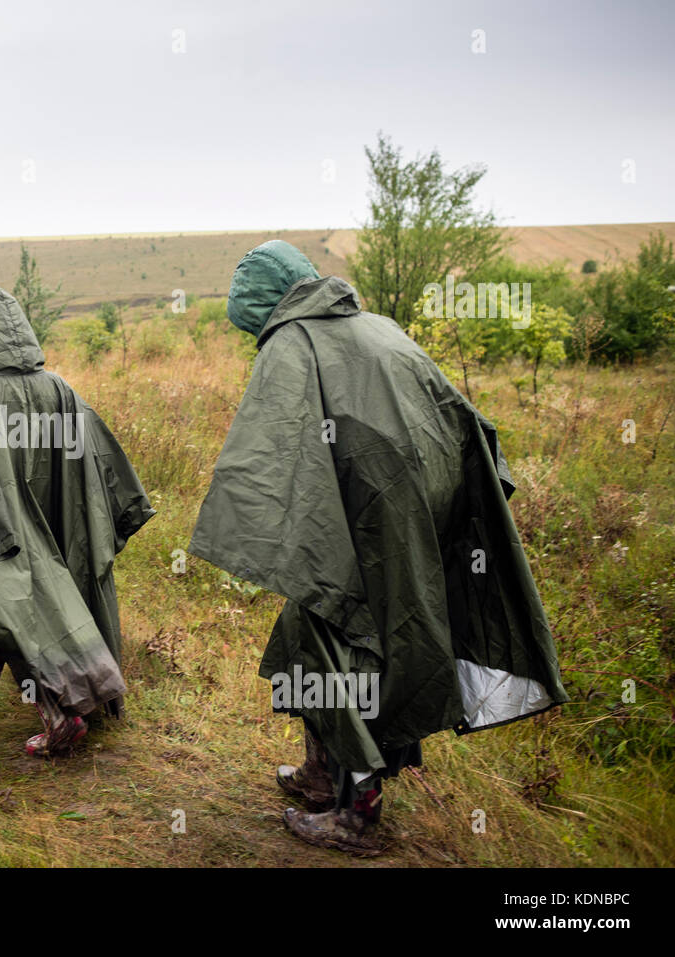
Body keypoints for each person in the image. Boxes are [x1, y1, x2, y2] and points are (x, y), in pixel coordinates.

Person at [190, 240, 568, 855]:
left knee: (333, 653)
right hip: (418, 512)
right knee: (305, 639)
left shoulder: (292, 344)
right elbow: (463, 420)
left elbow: (271, 462)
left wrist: (271, 537)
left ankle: (358, 813)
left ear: (264, 309)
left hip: (369, 524)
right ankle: (321, 776)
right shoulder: (380, 328)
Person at [0, 287, 154, 756]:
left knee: (8, 601)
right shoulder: (59, 388)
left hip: (4, 527)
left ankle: (61, 717)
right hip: (58, 522)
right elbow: (94, 458)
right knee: (3, 601)